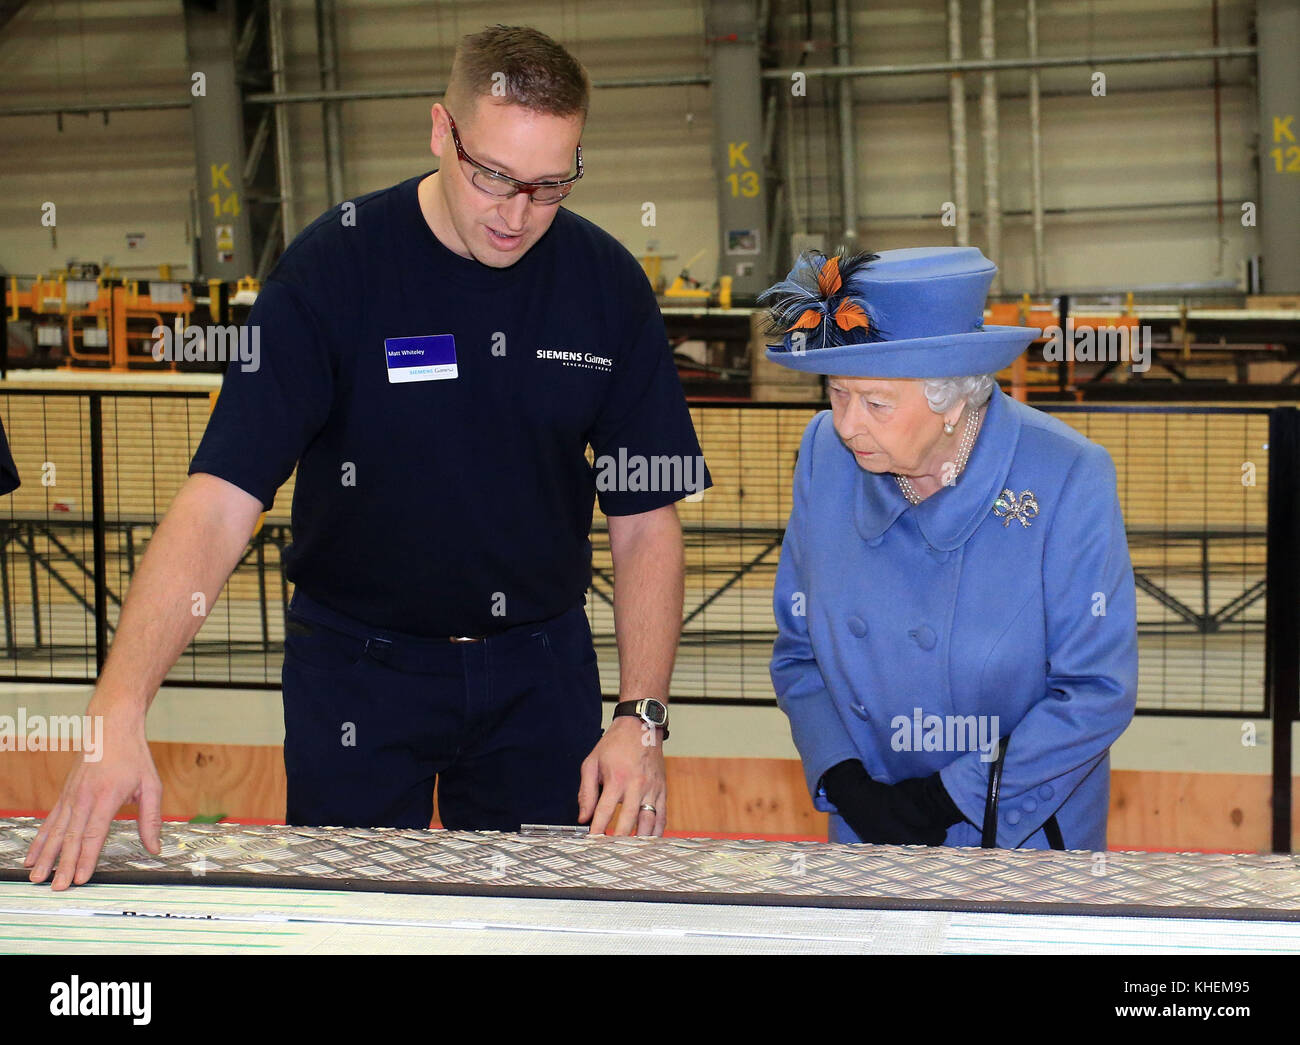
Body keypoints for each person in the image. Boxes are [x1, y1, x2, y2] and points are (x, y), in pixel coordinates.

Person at [26, 24, 709, 891]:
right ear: (439, 130)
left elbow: (646, 519)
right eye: (493, 175)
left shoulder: (605, 285)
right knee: (342, 921)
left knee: (544, 927)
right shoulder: (335, 269)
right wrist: (117, 709)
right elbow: (220, 501)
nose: (516, 211)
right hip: (357, 671)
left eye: (550, 184)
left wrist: (641, 718)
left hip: (539, 674)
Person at [762, 246, 1137, 849]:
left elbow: (1095, 692)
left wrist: (948, 796)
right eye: (836, 393)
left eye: (877, 403)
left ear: (954, 400)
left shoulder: (1066, 476)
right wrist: (843, 777)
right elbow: (798, 652)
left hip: (1013, 836)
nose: (847, 423)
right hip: (868, 830)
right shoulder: (824, 456)